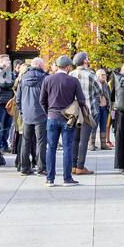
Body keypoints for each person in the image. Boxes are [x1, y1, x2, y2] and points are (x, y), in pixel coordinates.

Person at [40, 54, 88, 187]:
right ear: (67, 67)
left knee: (51, 148)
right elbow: (82, 100)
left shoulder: (48, 79)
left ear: (58, 66)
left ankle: (50, 179)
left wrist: (49, 112)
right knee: (68, 148)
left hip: (52, 117)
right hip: (69, 119)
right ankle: (67, 179)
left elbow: (41, 100)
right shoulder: (73, 81)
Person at [17, 57, 48, 176]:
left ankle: (24, 168)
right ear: (40, 65)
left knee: (26, 141)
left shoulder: (23, 77)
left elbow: (18, 98)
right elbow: (47, 97)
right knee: (41, 142)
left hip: (27, 114)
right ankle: (41, 168)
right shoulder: (45, 78)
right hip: (41, 114)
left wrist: (22, 111)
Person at [71, 52, 100, 175]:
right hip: (87, 111)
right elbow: (99, 90)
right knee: (84, 140)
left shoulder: (70, 74)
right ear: (85, 61)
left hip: (73, 112)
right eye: (87, 58)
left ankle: (73, 165)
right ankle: (80, 166)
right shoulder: (91, 75)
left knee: (74, 139)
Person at [0, 54, 16, 152]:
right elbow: (3, 83)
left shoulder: (10, 72)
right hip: (1, 102)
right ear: (1, 61)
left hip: (10, 102)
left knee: (8, 124)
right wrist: (11, 83)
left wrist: (11, 83)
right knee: (0, 124)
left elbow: (13, 83)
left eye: (9, 60)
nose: (9, 62)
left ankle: (5, 143)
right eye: (7, 60)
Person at [92, 68, 112, 150]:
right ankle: (91, 144)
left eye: (105, 75)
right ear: (97, 76)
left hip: (104, 108)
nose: (105, 76)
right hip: (96, 108)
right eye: (102, 75)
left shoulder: (106, 85)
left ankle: (103, 144)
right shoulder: (94, 84)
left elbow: (109, 97)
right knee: (94, 126)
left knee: (104, 126)